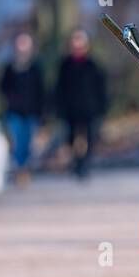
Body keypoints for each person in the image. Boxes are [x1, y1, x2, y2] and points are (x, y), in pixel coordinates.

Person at [53, 28, 108, 178]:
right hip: (70, 110)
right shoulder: (65, 65)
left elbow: (101, 89)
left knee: (90, 138)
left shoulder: (93, 65)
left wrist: (102, 108)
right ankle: (76, 163)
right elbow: (59, 88)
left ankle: (84, 165)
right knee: (70, 138)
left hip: (90, 110)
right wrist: (58, 108)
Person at [0, 32, 45, 180]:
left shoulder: (36, 68)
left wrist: (42, 111)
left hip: (32, 112)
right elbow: (3, 89)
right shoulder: (9, 69)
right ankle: (20, 170)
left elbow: (41, 91)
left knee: (28, 143)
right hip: (14, 113)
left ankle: (25, 169)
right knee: (17, 143)